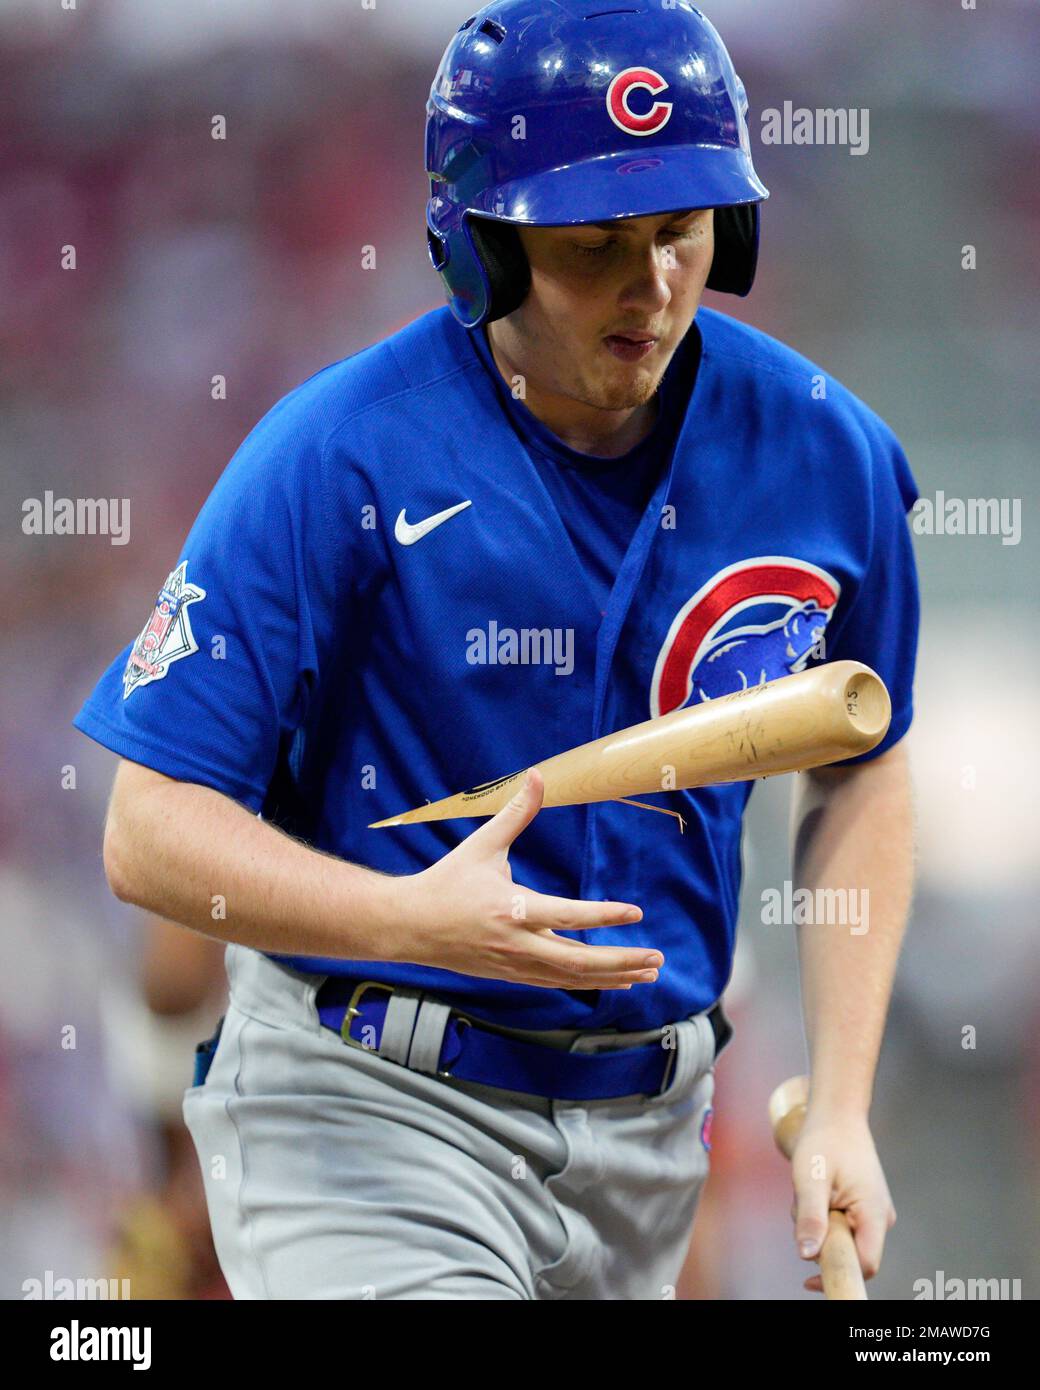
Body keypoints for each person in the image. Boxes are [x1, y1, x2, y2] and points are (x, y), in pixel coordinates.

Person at [75, 0, 917, 1300]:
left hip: (652, 1131)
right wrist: (403, 918)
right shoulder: (335, 455)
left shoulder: (826, 450)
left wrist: (847, 1102)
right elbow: (147, 826)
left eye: (682, 234)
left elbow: (863, 753)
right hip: (367, 1108)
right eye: (594, 245)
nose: (652, 287)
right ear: (482, 249)